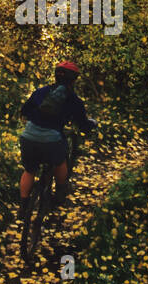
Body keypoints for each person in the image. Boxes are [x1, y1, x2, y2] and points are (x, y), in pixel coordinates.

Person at [19, 60, 96, 216]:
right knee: (60, 161)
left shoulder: (40, 92)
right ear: (73, 80)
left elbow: (25, 111)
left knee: (29, 170)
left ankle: (23, 206)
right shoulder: (74, 100)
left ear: (55, 76)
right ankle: (60, 193)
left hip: (28, 137)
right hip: (51, 141)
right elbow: (83, 125)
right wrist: (93, 124)